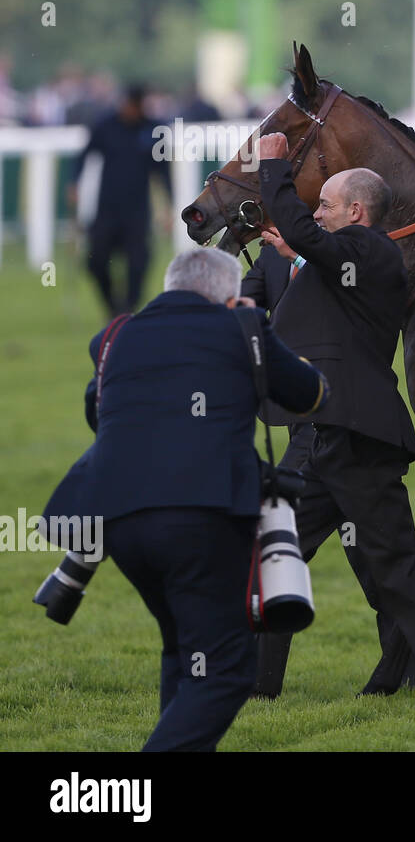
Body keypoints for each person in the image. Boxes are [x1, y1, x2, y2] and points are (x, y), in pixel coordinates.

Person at [252, 134, 415, 698]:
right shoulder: (347, 261)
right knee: (275, 555)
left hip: (356, 436)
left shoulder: (372, 250)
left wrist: (274, 164)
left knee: (396, 571)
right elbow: (310, 253)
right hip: (328, 435)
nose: (315, 213)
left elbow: (307, 237)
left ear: (356, 211)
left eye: (324, 204)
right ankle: (254, 685)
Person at [79, 247, 327, 751]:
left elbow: (98, 413)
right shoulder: (240, 329)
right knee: (228, 671)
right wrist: (258, 331)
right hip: (201, 516)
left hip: (121, 519)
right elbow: (311, 394)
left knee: (183, 647)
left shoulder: (116, 335)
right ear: (230, 296)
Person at [240, 232, 397, 699]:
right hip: (306, 428)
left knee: (276, 545)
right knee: (377, 560)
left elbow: (348, 299)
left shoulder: (347, 252)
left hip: (338, 423)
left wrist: (303, 256)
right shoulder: (271, 254)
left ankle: (258, 686)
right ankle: (414, 665)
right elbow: (245, 304)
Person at [68, 84, 171, 317]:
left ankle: (128, 308)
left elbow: (163, 172)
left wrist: (168, 207)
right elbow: (84, 155)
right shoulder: (106, 125)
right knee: (96, 261)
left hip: (137, 212)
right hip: (107, 210)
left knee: (138, 264)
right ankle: (112, 305)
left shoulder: (153, 130)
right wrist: (74, 183)